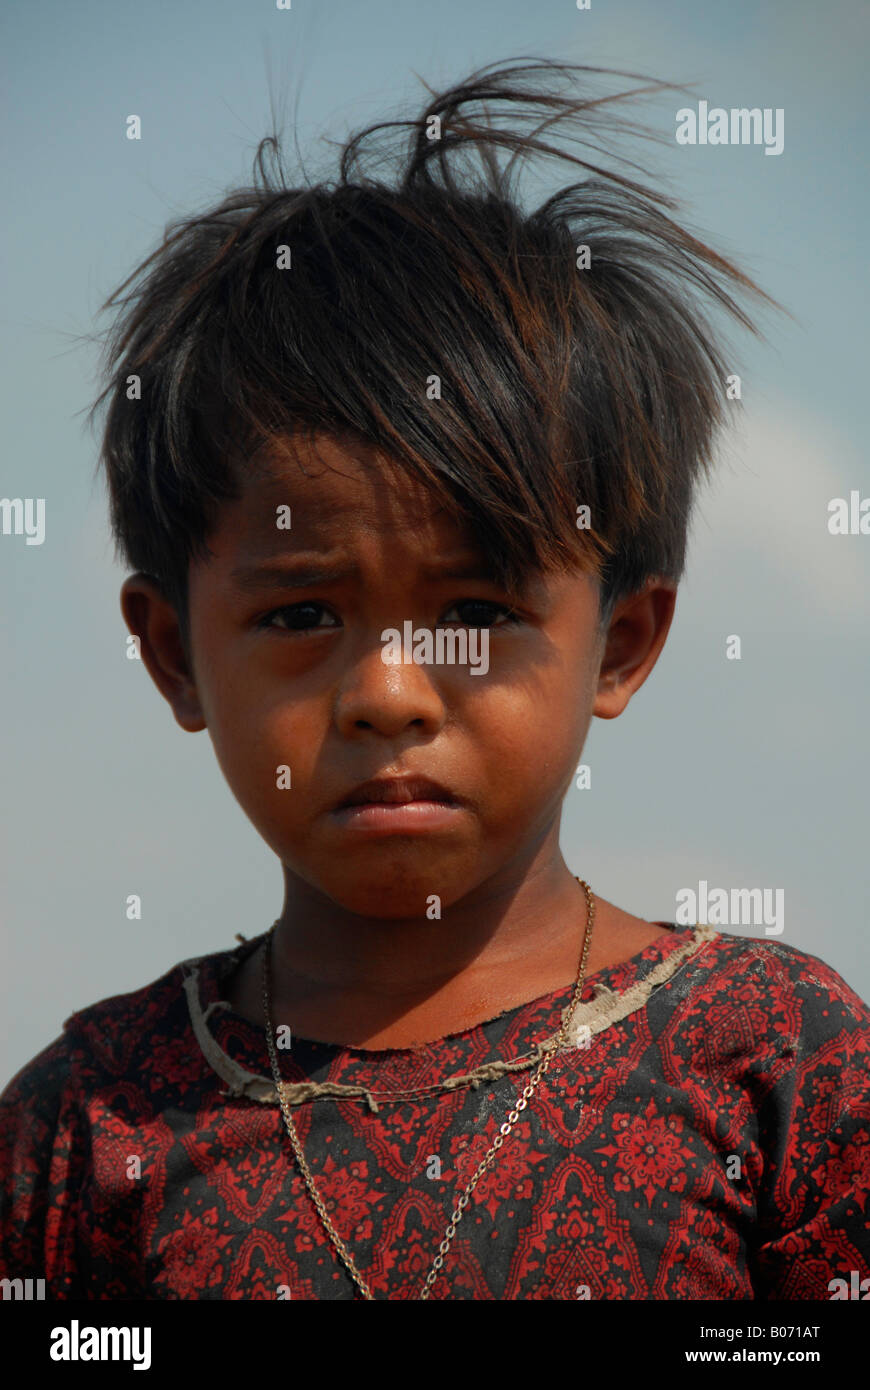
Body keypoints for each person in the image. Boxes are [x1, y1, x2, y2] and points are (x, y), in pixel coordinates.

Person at [1, 57, 867, 1301]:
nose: (393, 693)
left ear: (621, 643)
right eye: (302, 611)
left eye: (477, 610)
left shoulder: (779, 1064)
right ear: (174, 652)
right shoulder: (89, 1129)